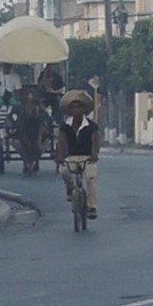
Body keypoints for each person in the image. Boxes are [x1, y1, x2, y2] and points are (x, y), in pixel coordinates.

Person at [54, 88, 100, 218]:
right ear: (69, 110)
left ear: (84, 109)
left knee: (91, 178)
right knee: (64, 171)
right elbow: (61, 142)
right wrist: (60, 156)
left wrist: (95, 154)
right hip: (71, 157)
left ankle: (92, 207)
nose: (76, 110)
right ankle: (70, 188)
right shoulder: (65, 126)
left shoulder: (91, 126)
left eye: (79, 107)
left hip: (87, 158)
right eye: (73, 107)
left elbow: (95, 141)